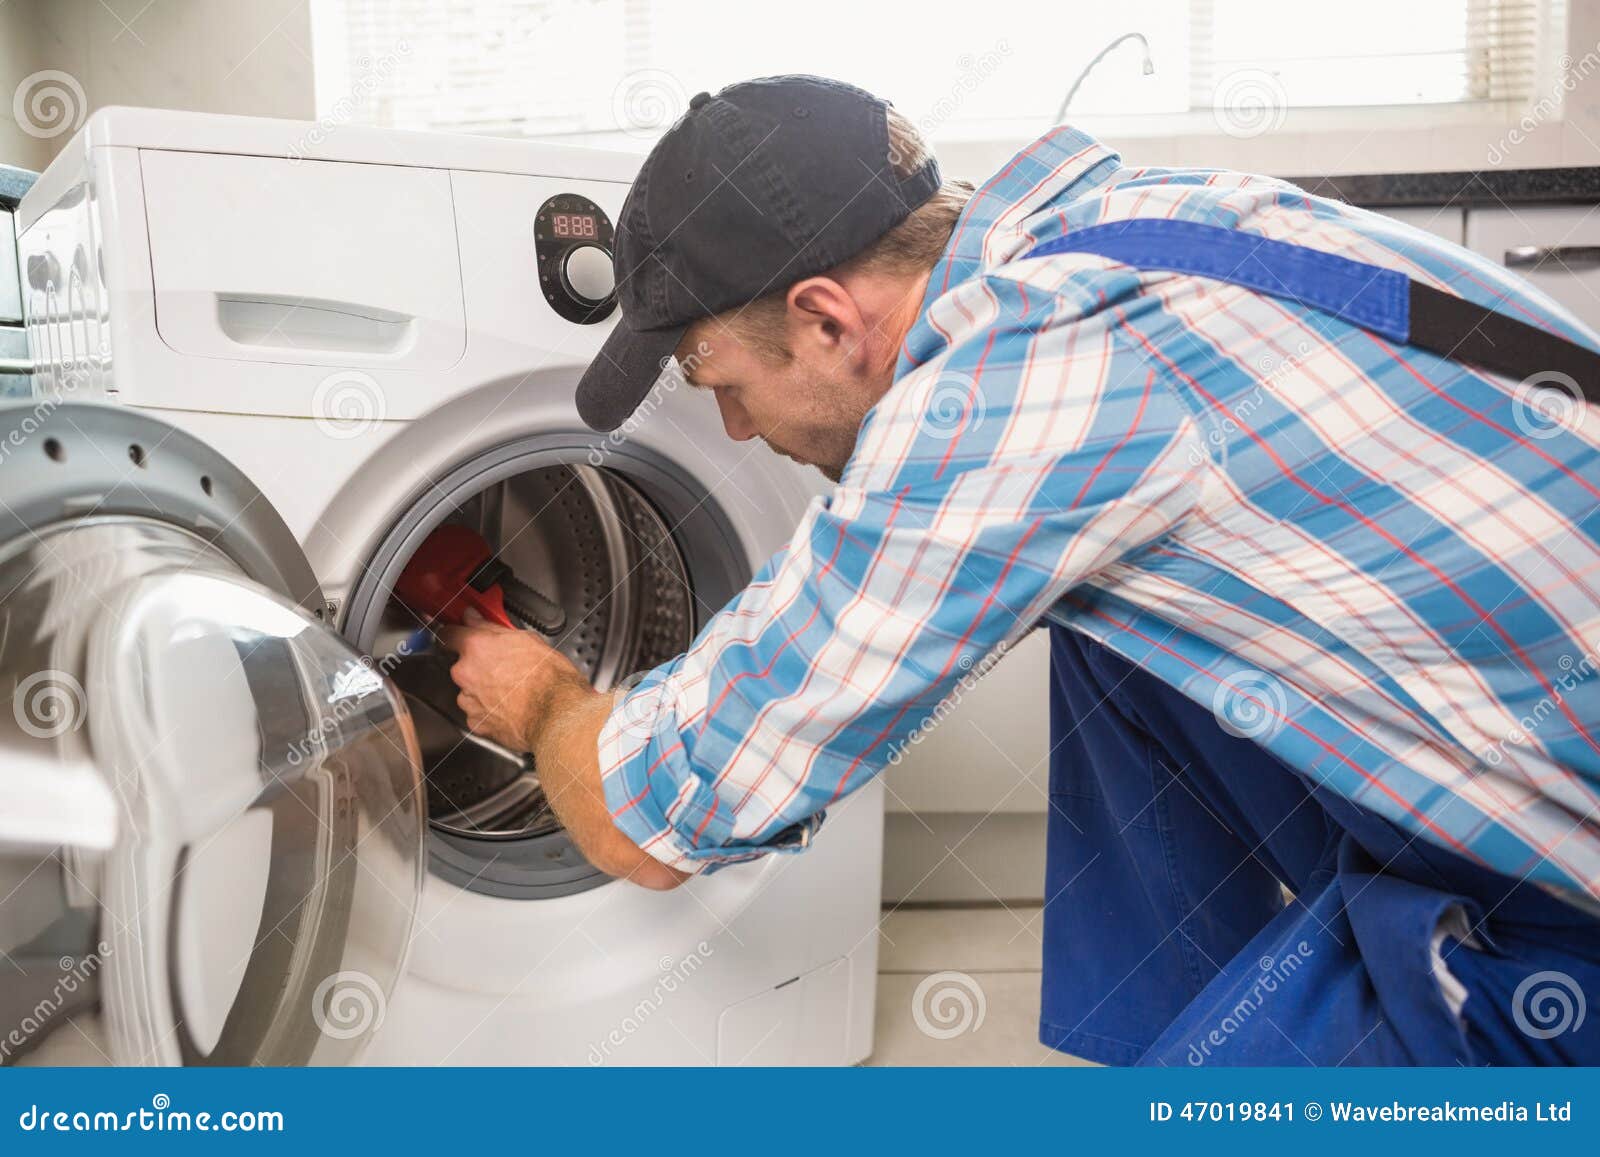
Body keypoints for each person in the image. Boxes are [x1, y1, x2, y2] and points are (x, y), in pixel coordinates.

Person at [441, 75, 1600, 1064]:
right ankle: (1179, 1042)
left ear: (827, 319)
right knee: (1106, 621)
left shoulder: (1009, 392)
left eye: (716, 379)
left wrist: (545, 701)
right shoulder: (1122, 229)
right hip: (1523, 759)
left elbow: (652, 821)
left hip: (1569, 912)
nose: (733, 431)